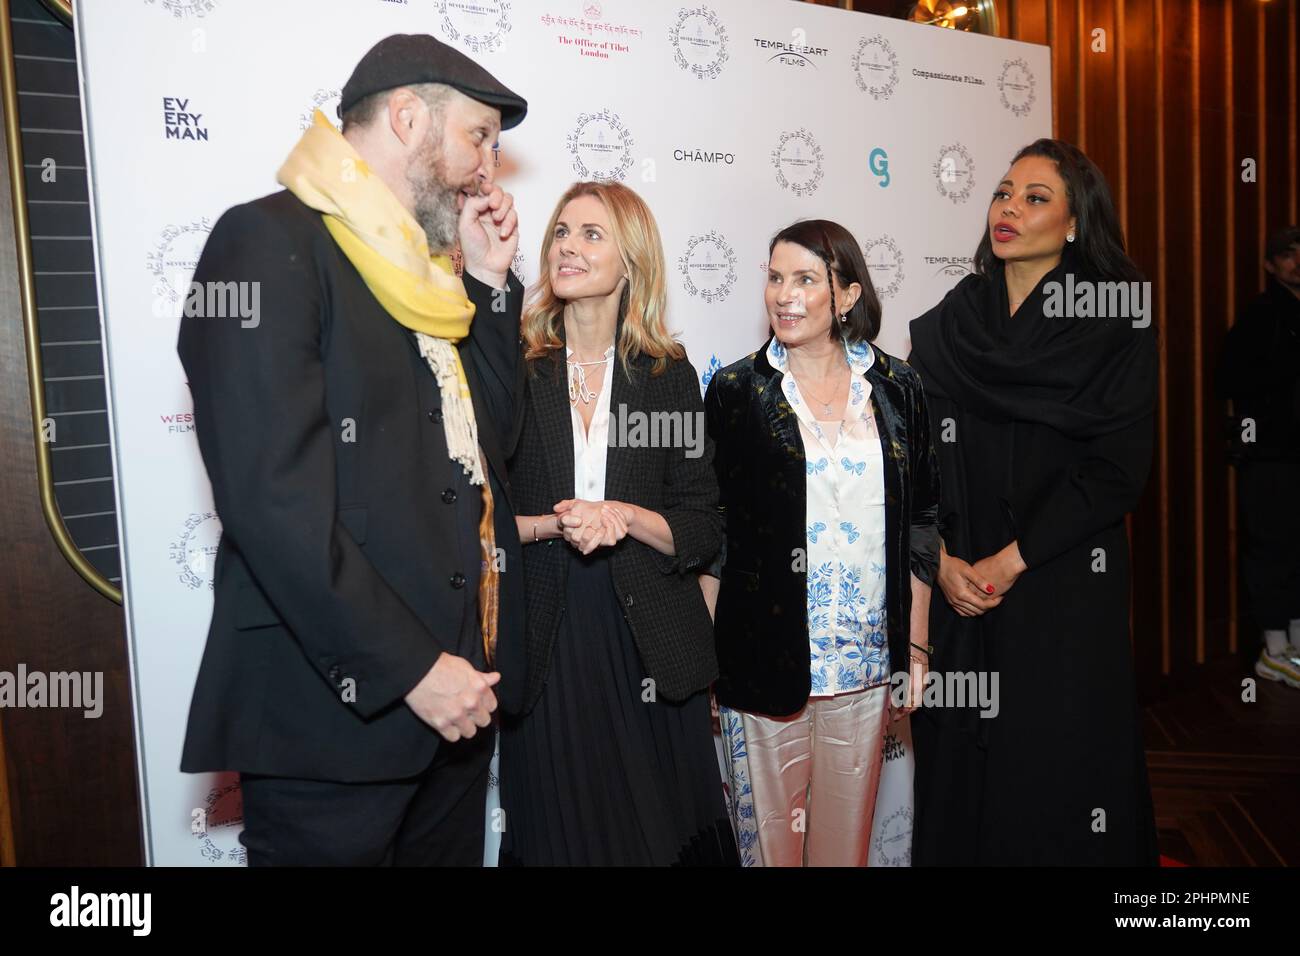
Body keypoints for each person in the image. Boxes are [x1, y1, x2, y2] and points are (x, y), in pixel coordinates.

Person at [177, 34, 529, 866]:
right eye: (478, 137)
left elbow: (494, 451)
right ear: (409, 119)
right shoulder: (264, 242)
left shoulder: (424, 271)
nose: (486, 168)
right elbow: (274, 503)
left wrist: (485, 283)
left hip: (454, 713)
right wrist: (412, 670)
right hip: (333, 723)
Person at [909, 138, 1159, 865]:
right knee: (960, 768)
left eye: (1035, 197)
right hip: (962, 590)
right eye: (1003, 192)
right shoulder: (955, 319)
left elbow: (1119, 470)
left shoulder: (1116, 319)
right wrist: (946, 561)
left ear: (1077, 223)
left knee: (1055, 767)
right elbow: (916, 455)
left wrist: (1012, 561)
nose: (1010, 208)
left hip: (1060, 580)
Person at [498, 181, 737, 866]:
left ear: (630, 260)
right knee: (558, 832)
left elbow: (701, 527)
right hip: (547, 634)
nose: (568, 246)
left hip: (650, 643)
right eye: (562, 232)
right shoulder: (516, 368)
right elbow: (473, 518)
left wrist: (625, 517)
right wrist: (556, 523)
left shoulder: (667, 377)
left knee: (657, 835)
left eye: (592, 234)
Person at [701, 219, 939, 867]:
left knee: (844, 853)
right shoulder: (736, 392)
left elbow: (922, 520)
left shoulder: (897, 389)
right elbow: (713, 533)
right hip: (762, 665)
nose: (784, 294)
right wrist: (708, 657)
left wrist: (914, 647)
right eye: (775, 277)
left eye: (806, 279)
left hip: (864, 669)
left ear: (847, 296)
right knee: (769, 854)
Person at [1217, 225, 1300, 688]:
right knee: (1273, 550)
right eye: (1288, 254)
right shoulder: (1261, 316)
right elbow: (1228, 381)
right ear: (1271, 265)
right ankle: (1273, 651)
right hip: (1271, 456)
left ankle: (1295, 648)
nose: (1298, 261)